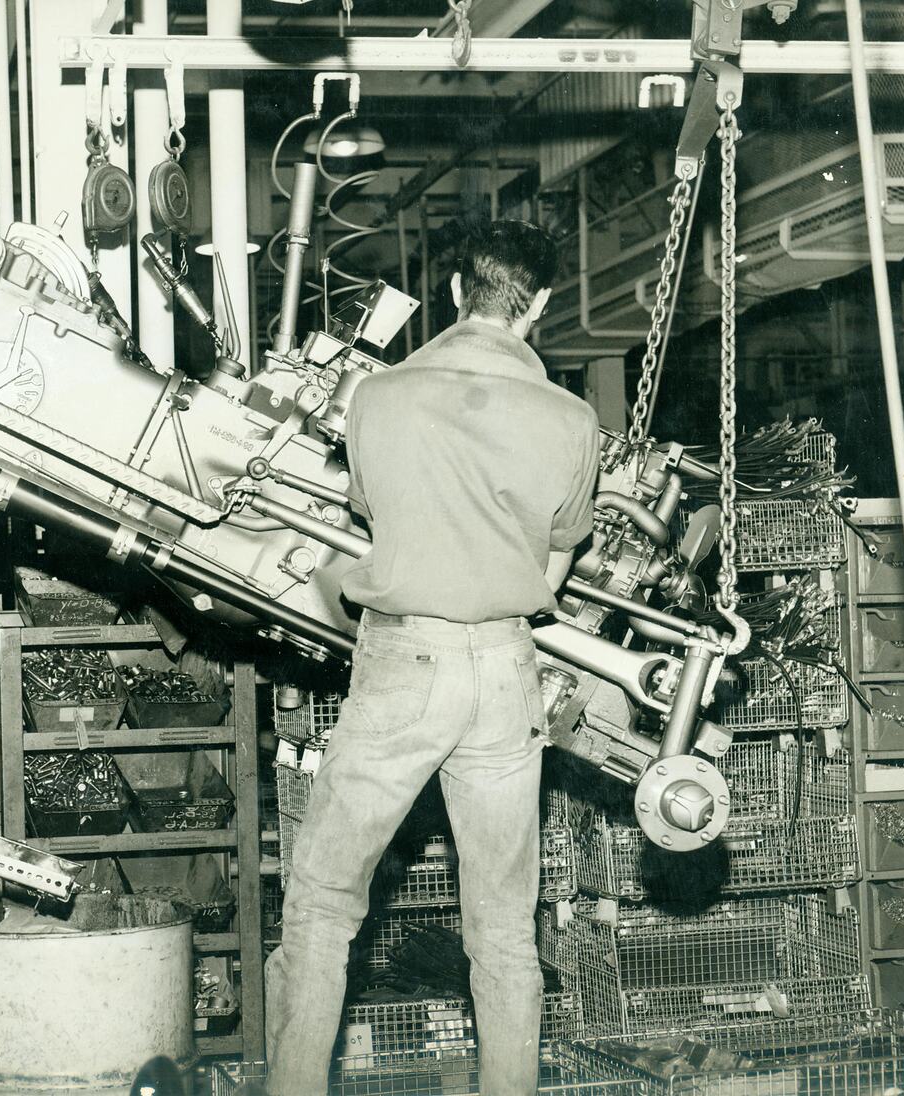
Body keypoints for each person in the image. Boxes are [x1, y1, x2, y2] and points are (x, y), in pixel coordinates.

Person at [264, 220, 600, 1096]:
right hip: (505, 672)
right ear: (543, 307)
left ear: (454, 292)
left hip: (405, 666)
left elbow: (371, 517)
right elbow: (550, 571)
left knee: (325, 901)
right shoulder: (571, 420)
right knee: (502, 928)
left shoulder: (379, 396)